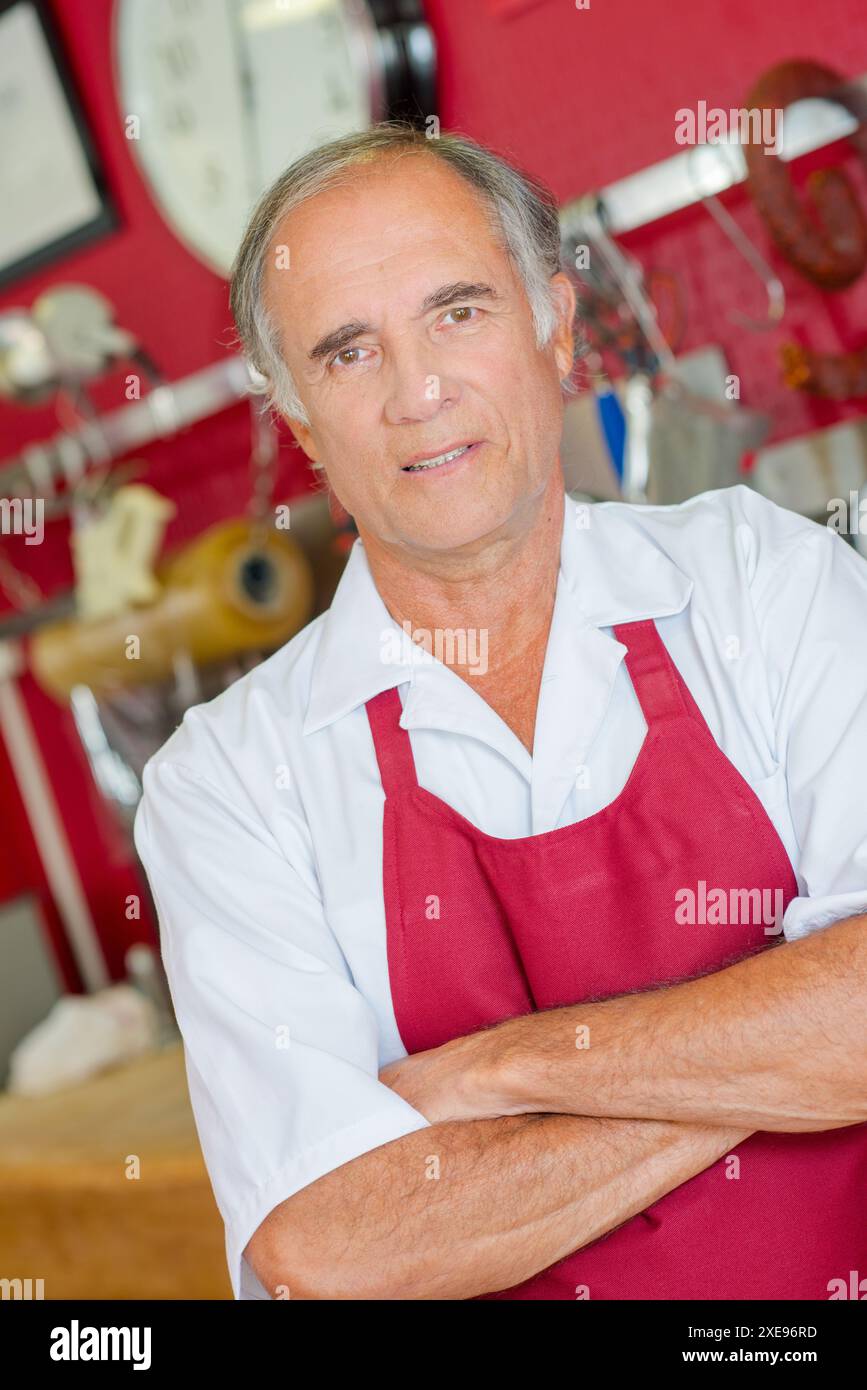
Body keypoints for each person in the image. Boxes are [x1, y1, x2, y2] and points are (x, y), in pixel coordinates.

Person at [134, 123, 867, 1301]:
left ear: (557, 329)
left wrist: (493, 1073)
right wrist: (788, 1043)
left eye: (458, 312)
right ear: (304, 425)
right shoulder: (227, 782)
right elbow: (336, 1249)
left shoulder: (759, 580)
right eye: (348, 350)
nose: (419, 391)